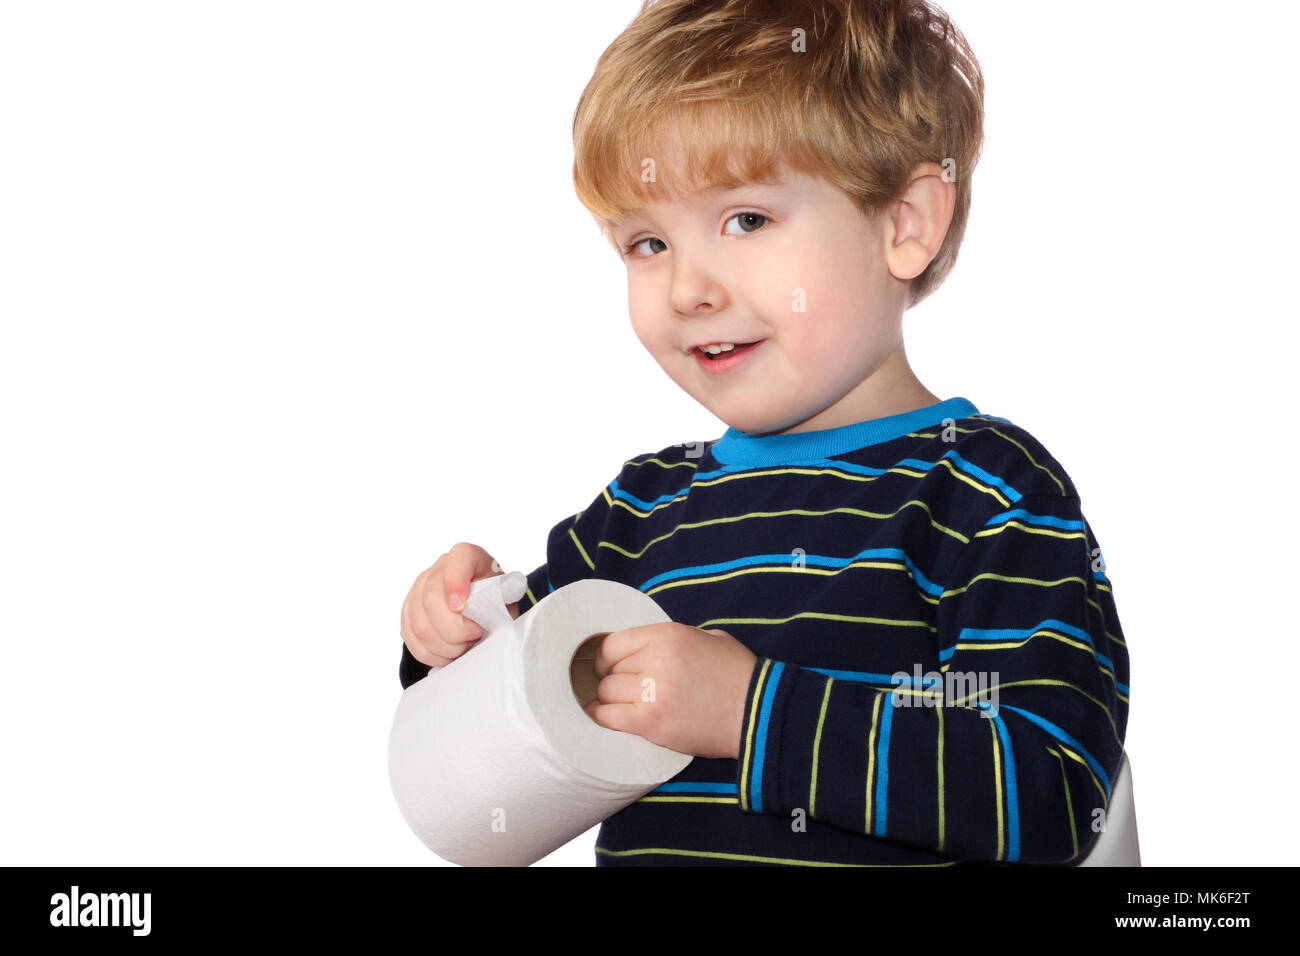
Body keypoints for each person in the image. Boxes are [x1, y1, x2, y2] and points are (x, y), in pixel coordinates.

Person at [398, 0, 1130, 866]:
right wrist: (450, 634)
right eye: (645, 242)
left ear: (906, 223)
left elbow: (1053, 793)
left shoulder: (985, 494)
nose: (686, 288)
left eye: (745, 219)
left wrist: (752, 713)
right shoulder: (637, 512)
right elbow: (508, 711)